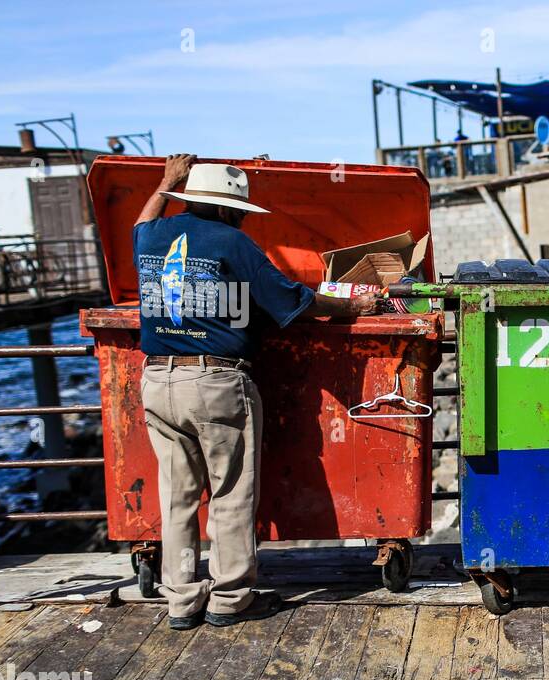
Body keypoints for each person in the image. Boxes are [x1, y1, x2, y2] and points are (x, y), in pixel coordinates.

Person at [135, 155, 376, 630]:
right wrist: (354, 303)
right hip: (214, 383)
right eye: (240, 209)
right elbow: (292, 301)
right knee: (229, 493)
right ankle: (230, 597)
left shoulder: (150, 236)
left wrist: (165, 182)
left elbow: (143, 219)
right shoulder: (232, 242)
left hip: (157, 381)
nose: (244, 217)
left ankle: (182, 599)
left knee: (177, 497)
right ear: (225, 209)